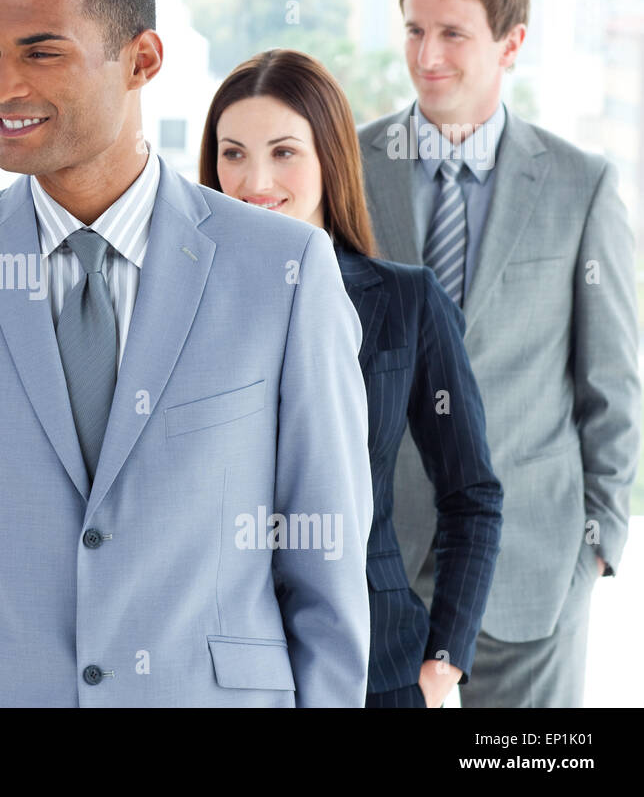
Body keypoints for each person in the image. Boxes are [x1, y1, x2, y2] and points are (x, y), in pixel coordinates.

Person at [0, 0, 372, 707]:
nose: (1, 88)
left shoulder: (282, 273)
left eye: (41, 53)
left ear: (142, 61)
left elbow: (326, 572)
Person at [359, 0, 639, 707]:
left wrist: (599, 546)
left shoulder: (581, 184)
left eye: (453, 34)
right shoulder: (351, 164)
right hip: (382, 563)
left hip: (534, 566)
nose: (427, 54)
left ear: (511, 43)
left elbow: (612, 382)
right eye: (415, 30)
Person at [201, 48, 503, 707]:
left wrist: (441, 666)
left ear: (329, 157)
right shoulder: (182, 306)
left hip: (381, 665)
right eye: (232, 154)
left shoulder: (406, 301)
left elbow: (471, 494)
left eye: (283, 152)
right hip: (216, 662)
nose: (254, 180)